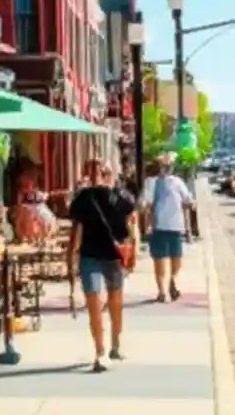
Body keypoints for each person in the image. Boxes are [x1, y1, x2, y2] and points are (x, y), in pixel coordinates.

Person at [68, 161, 136, 372]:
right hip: (101, 255)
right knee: (103, 300)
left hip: (101, 255)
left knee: (105, 301)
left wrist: (71, 261)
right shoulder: (121, 198)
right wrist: (133, 252)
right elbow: (131, 228)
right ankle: (105, 348)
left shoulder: (85, 198)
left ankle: (108, 346)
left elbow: (75, 234)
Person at [141, 155, 194, 303]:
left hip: (168, 226)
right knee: (167, 260)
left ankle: (167, 286)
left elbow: (187, 200)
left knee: (168, 260)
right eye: (166, 165)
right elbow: (145, 204)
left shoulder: (169, 183)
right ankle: (167, 286)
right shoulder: (160, 183)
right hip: (166, 227)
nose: (166, 168)